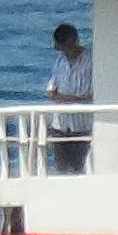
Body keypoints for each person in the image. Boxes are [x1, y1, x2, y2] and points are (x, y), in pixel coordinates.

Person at [42, 19, 94, 172]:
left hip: (83, 127)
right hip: (60, 126)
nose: (66, 51)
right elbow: (51, 91)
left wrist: (65, 98)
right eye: (62, 48)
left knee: (80, 169)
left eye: (68, 46)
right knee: (62, 170)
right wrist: (73, 98)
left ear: (75, 41)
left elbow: (92, 95)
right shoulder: (60, 61)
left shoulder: (91, 60)